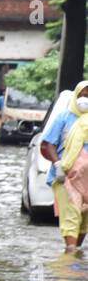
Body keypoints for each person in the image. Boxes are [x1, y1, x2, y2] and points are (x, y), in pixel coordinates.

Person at [44, 80, 88, 253]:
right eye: (83, 96)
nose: (85, 99)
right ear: (76, 96)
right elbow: (49, 144)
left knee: (84, 218)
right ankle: (70, 250)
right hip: (67, 176)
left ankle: (75, 249)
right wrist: (58, 165)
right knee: (71, 211)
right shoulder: (64, 117)